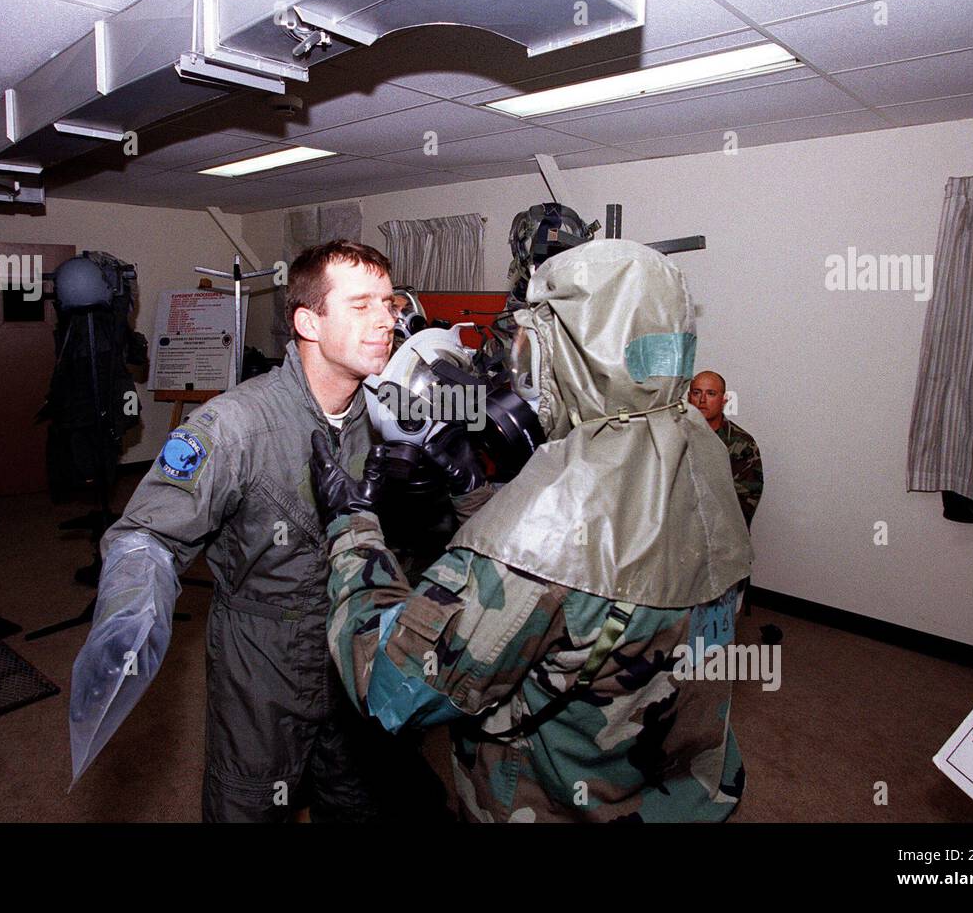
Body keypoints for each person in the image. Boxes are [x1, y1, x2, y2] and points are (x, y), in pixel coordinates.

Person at [310, 240, 754, 822]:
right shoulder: (702, 445)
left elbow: (390, 684)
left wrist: (352, 527)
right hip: (682, 789)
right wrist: (477, 495)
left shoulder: (548, 521)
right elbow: (581, 574)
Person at [75, 240, 411, 822]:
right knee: (250, 806)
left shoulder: (392, 419)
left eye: (389, 301)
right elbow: (146, 533)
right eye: (362, 305)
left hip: (359, 646)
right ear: (308, 320)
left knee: (361, 800)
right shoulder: (233, 424)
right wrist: (130, 619)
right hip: (264, 661)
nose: (388, 319)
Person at [688, 370, 764, 528]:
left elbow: (744, 504)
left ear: (723, 400)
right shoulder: (675, 437)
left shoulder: (741, 445)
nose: (702, 400)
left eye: (711, 394)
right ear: (689, 398)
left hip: (724, 538)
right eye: (697, 393)